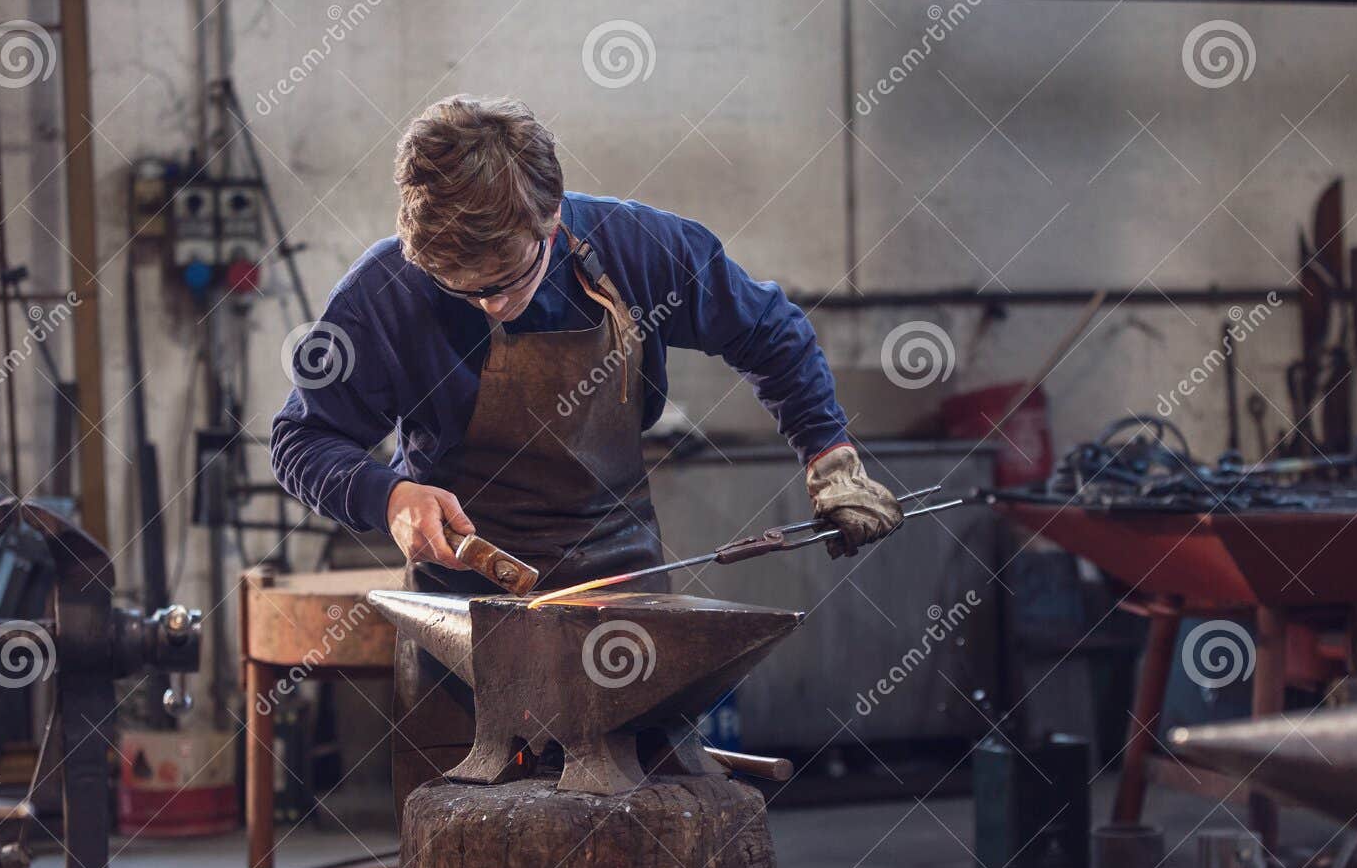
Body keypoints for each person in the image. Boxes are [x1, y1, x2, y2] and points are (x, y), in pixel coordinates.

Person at [271, 95, 902, 807]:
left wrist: (830, 456)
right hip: (466, 631)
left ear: (552, 215)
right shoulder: (384, 292)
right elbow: (301, 437)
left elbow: (771, 331)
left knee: (643, 846)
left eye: (506, 281)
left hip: (623, 609)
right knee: (473, 864)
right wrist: (386, 494)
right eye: (462, 289)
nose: (490, 305)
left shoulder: (636, 248)